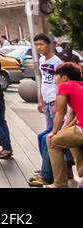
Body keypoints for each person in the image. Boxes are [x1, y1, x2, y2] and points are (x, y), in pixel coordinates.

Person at [29, 33, 63, 187]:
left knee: (49, 136)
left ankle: (47, 172)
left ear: (49, 45)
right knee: (45, 135)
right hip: (47, 100)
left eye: (41, 44)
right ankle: (46, 168)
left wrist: (58, 103)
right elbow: (43, 80)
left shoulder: (57, 62)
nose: (38, 47)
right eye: (36, 45)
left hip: (56, 102)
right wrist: (40, 99)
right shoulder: (42, 60)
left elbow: (61, 84)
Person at [46, 61, 83, 188]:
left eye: (56, 76)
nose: (55, 79)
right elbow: (73, 116)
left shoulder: (64, 86)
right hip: (80, 128)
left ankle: (59, 184)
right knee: (69, 139)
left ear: (64, 77)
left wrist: (54, 133)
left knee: (54, 143)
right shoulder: (80, 86)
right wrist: (62, 131)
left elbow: (60, 112)